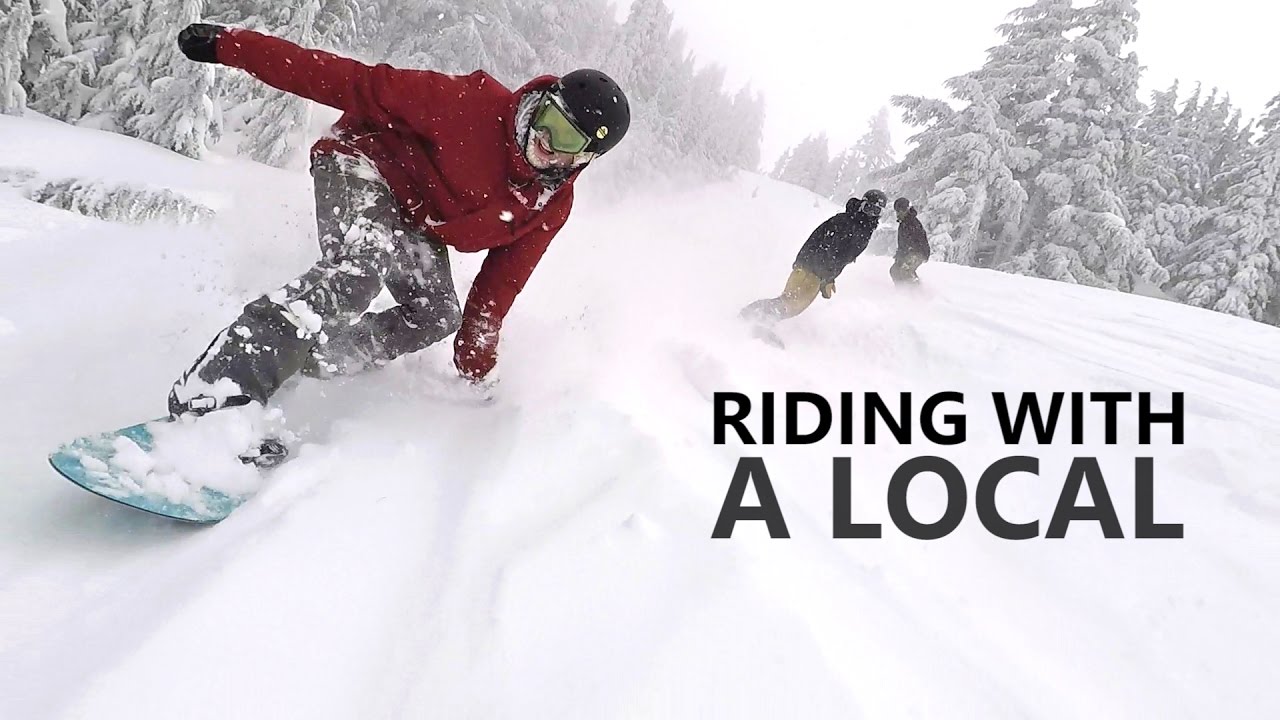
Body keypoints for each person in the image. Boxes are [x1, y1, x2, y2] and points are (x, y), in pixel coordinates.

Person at [166, 23, 630, 431]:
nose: (545, 142)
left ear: (586, 156)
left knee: (436, 316)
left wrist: (478, 370)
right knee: (358, 272)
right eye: (549, 121)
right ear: (542, 102)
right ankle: (218, 389)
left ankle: (309, 358)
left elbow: (495, 294)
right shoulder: (469, 105)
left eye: (566, 140)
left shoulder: (548, 205)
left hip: (414, 219)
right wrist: (232, 47)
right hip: (362, 163)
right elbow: (350, 82)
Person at [741, 190, 888, 326]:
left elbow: (840, 257)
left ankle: (753, 317)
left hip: (816, 271)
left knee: (792, 303)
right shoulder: (847, 222)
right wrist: (827, 278)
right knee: (791, 303)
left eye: (876, 211)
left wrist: (829, 277)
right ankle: (757, 322)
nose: (870, 215)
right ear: (861, 205)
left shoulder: (861, 229)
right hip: (810, 269)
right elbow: (828, 250)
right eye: (868, 208)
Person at [890, 197, 929, 284]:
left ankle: (916, 292)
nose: (900, 213)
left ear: (908, 209)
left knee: (905, 269)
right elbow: (902, 243)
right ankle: (901, 290)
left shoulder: (912, 222)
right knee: (895, 270)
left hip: (919, 252)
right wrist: (900, 254)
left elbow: (915, 241)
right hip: (908, 252)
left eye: (903, 210)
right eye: (898, 211)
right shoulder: (903, 223)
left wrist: (907, 252)